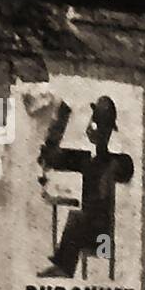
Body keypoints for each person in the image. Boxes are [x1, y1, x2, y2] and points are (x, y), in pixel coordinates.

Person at [38, 96, 133, 277]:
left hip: (102, 238)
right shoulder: (88, 160)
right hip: (93, 232)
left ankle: (64, 268)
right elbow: (52, 158)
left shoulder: (114, 161)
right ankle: (62, 264)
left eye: (95, 124)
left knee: (77, 219)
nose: (90, 127)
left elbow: (125, 168)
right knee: (77, 218)